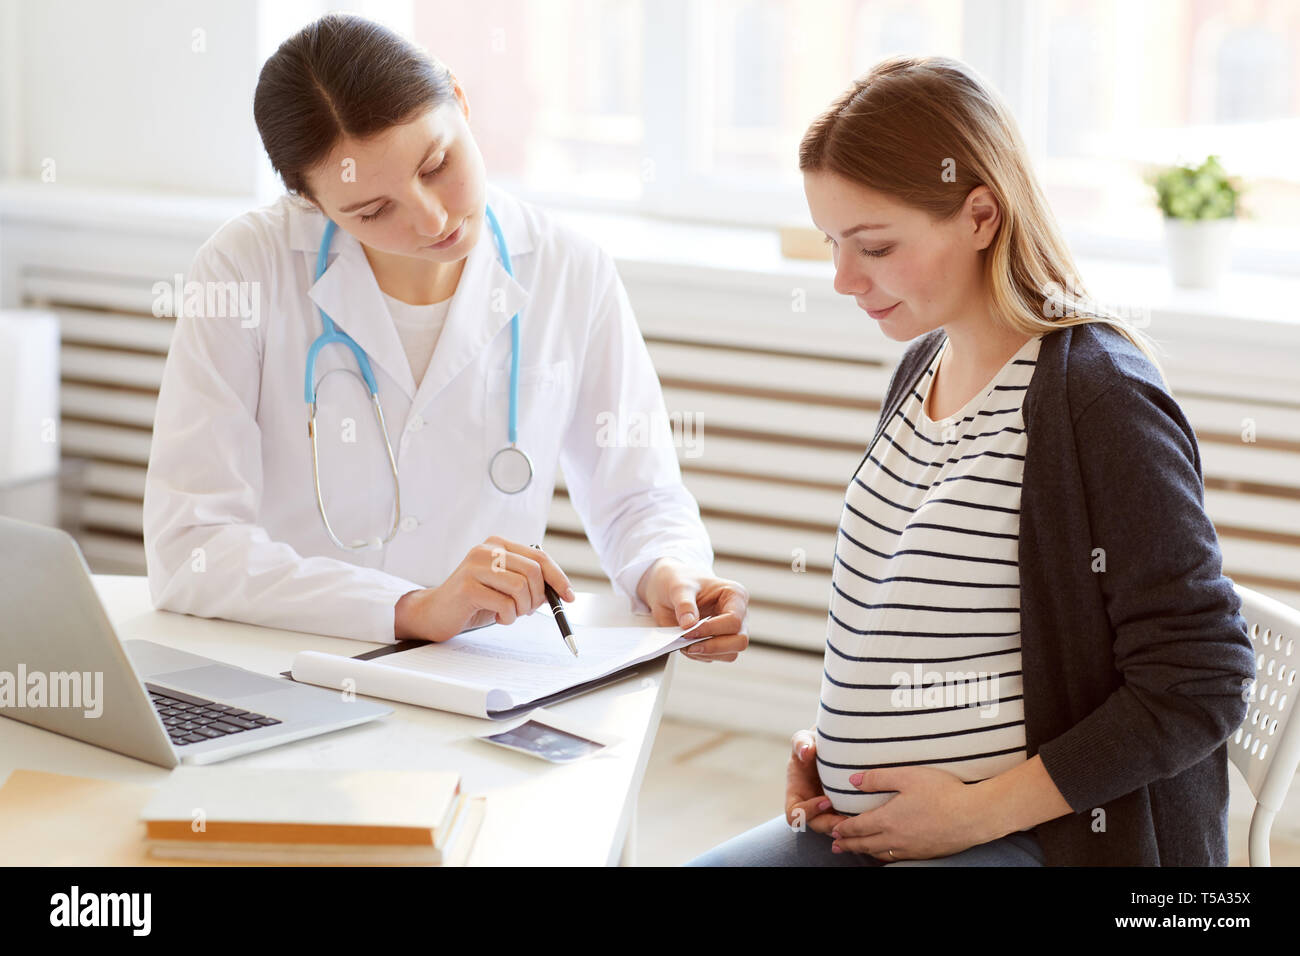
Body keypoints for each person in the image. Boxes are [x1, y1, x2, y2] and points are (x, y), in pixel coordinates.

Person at [687, 56, 1254, 866]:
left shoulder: (1099, 399)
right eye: (833, 244)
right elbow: (928, 614)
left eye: (875, 246)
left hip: (1039, 843)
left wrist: (973, 816)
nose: (844, 279)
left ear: (981, 213)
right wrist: (837, 754)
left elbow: (1203, 680)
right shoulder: (922, 364)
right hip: (871, 830)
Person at [142, 13, 748, 657]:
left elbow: (638, 494)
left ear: (458, 101)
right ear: (309, 203)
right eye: (372, 210)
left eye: (435, 165)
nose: (431, 218)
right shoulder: (246, 268)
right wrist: (408, 609)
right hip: (291, 657)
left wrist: (671, 570)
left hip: (482, 670)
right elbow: (192, 546)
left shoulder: (570, 268)